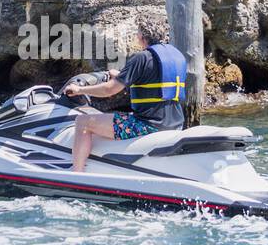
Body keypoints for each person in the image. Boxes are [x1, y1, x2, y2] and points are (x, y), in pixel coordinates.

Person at [63, 12, 187, 173]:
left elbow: (109, 90)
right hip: (176, 124)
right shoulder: (178, 56)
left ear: (142, 36)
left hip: (148, 125)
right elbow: (157, 87)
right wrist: (122, 77)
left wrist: (79, 89)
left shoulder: (142, 58)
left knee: (83, 122)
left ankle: (76, 175)